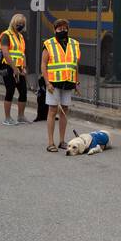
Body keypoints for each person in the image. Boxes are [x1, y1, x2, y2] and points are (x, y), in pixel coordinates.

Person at [40, 18, 81, 152]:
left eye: (65, 29)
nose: (62, 31)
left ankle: (62, 141)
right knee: (52, 111)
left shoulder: (74, 44)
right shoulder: (49, 44)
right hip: (54, 83)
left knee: (64, 111)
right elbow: (43, 65)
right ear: (55, 30)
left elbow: (75, 65)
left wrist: (76, 82)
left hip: (68, 82)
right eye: (59, 29)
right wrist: (47, 82)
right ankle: (50, 142)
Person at [0, 13, 31, 126]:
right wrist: (14, 68)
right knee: (10, 90)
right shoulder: (6, 35)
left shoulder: (20, 36)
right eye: (18, 23)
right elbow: (5, 53)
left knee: (23, 92)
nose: (20, 25)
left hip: (19, 68)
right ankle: (7, 118)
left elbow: (22, 54)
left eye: (22, 24)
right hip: (8, 67)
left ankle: (21, 116)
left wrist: (24, 68)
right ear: (13, 23)